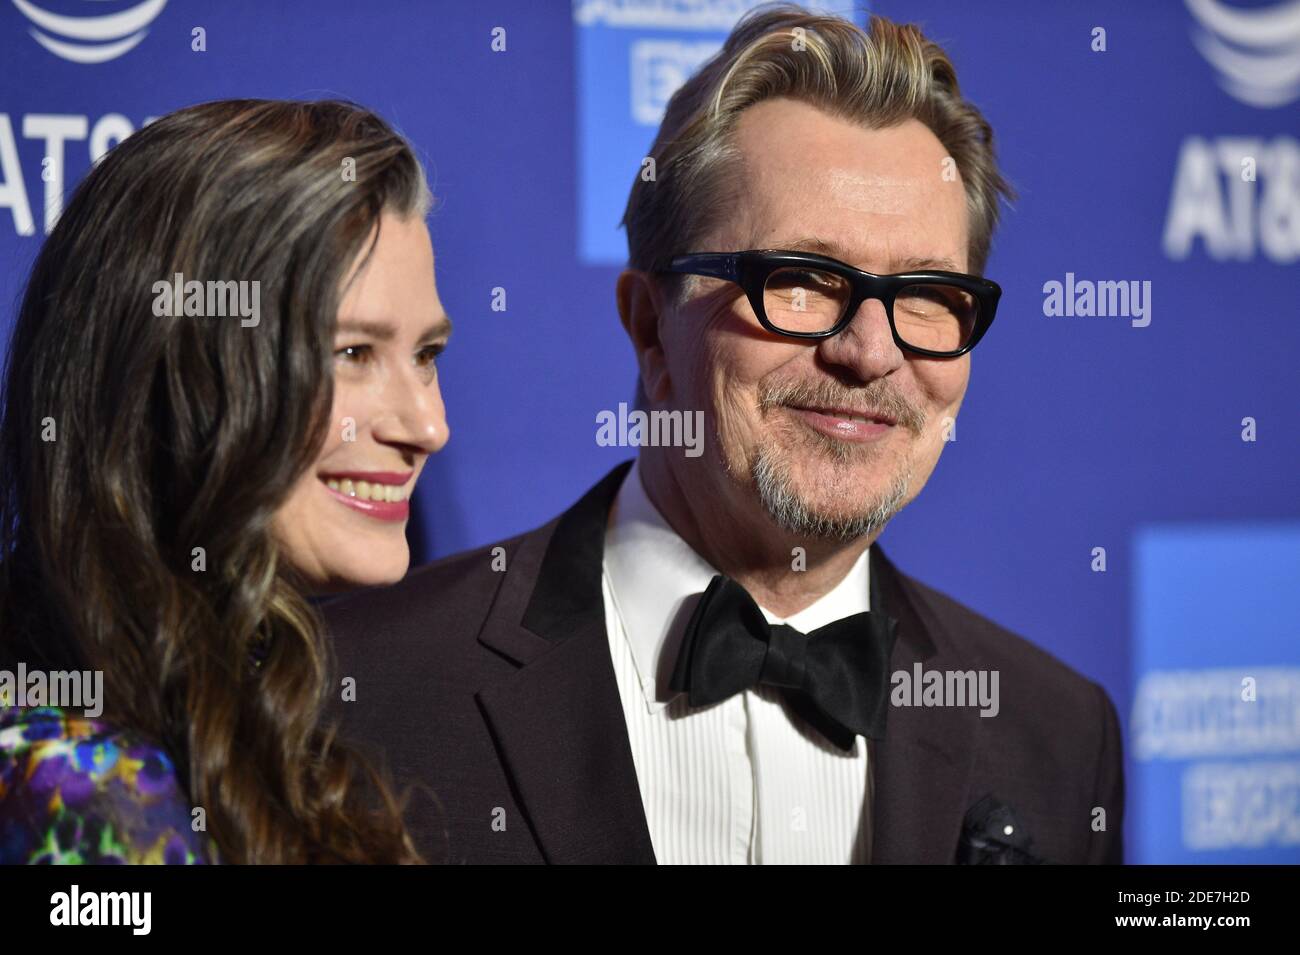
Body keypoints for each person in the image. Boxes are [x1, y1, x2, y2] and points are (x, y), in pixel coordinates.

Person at [326, 6, 1124, 864]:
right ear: (647, 327)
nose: (870, 352)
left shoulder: (1055, 734)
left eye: (927, 293)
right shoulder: (358, 692)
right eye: (802, 281)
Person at [0, 99, 451, 864]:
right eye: (353, 354)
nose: (426, 425)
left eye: (427, 354)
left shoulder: (263, 722)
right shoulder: (78, 787)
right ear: (177, 373)